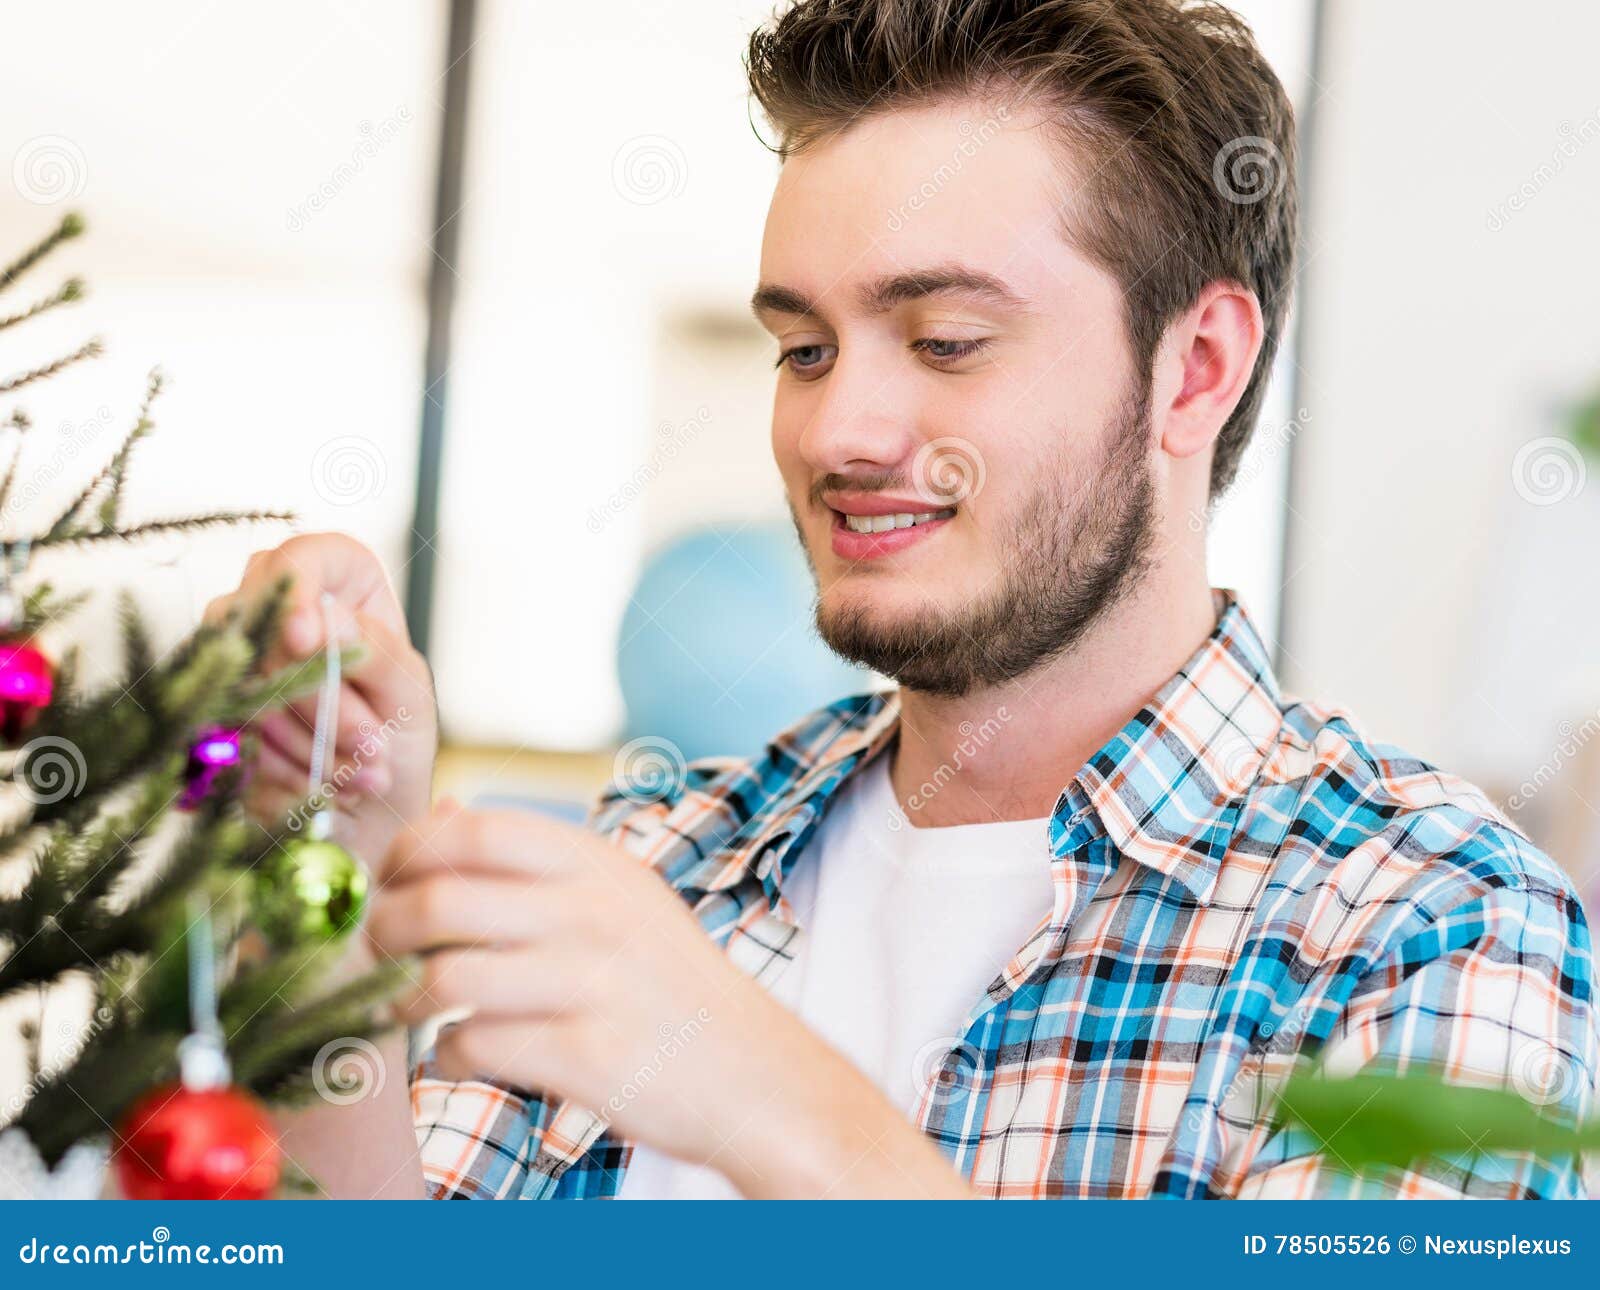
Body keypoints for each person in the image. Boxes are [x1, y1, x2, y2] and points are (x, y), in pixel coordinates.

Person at [214, 0, 1595, 1199]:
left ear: (1195, 369)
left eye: (944, 340)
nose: (839, 429)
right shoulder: (658, 858)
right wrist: (310, 897)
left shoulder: (1426, 926)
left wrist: (774, 1103)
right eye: (805, 348)